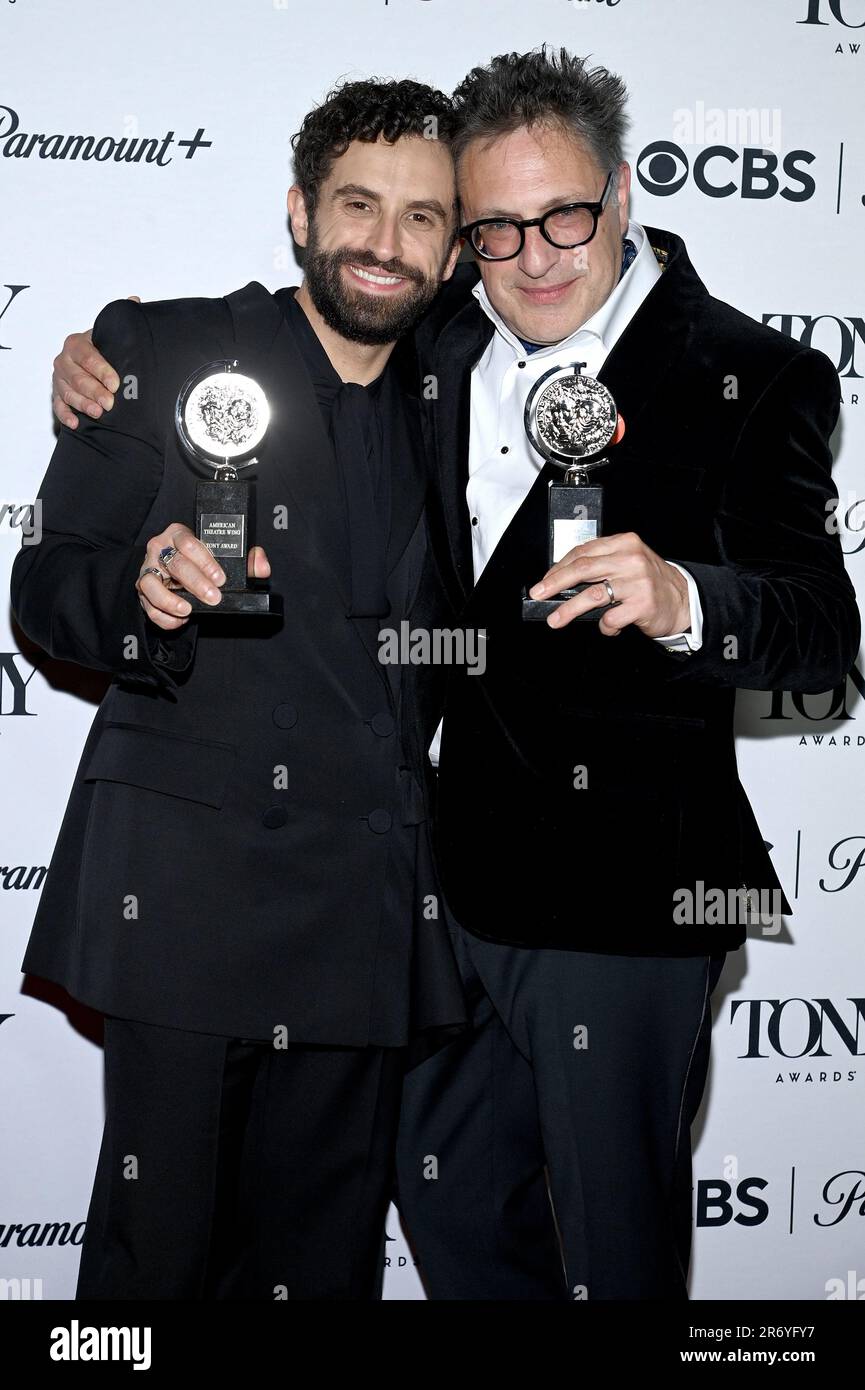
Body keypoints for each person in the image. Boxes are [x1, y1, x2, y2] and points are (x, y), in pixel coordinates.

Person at [51, 48, 860, 1302]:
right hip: (403, 909)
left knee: (601, 1250)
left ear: (624, 195)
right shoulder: (403, 335)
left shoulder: (753, 376)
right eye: (492, 229)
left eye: (563, 218)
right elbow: (74, 558)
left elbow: (821, 622)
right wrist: (107, 393)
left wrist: (690, 596)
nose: (533, 257)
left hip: (614, 902)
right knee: (411, 1222)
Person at [11, 77, 465, 1301]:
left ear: (457, 242)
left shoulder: (474, 389)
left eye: (424, 217)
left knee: (320, 1273)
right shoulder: (160, 348)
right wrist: (139, 596)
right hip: (189, 898)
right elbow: (45, 581)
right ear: (299, 212)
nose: (385, 242)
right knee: (149, 1272)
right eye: (359, 205)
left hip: (366, 902)